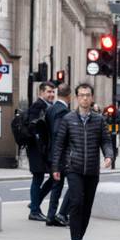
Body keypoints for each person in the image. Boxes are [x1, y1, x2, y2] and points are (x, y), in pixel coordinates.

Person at [50, 82, 114, 240]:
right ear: (77, 98)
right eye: (81, 95)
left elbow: (106, 141)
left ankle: (79, 236)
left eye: (87, 95)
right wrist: (56, 167)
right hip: (74, 168)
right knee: (76, 201)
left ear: (92, 97)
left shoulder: (99, 120)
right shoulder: (68, 119)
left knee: (87, 206)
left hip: (92, 169)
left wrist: (109, 156)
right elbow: (60, 145)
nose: (85, 98)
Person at [25, 81, 57, 221]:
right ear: (41, 93)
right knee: (38, 178)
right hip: (37, 149)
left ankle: (35, 203)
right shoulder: (38, 106)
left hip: (43, 148)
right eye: (48, 92)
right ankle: (34, 211)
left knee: (53, 177)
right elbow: (34, 127)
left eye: (52, 92)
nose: (51, 94)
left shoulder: (48, 106)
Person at [44, 84, 72, 226]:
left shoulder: (51, 109)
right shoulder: (63, 111)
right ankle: (62, 214)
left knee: (57, 186)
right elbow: (58, 133)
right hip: (61, 155)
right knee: (74, 185)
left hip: (52, 153)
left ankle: (51, 216)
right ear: (69, 96)